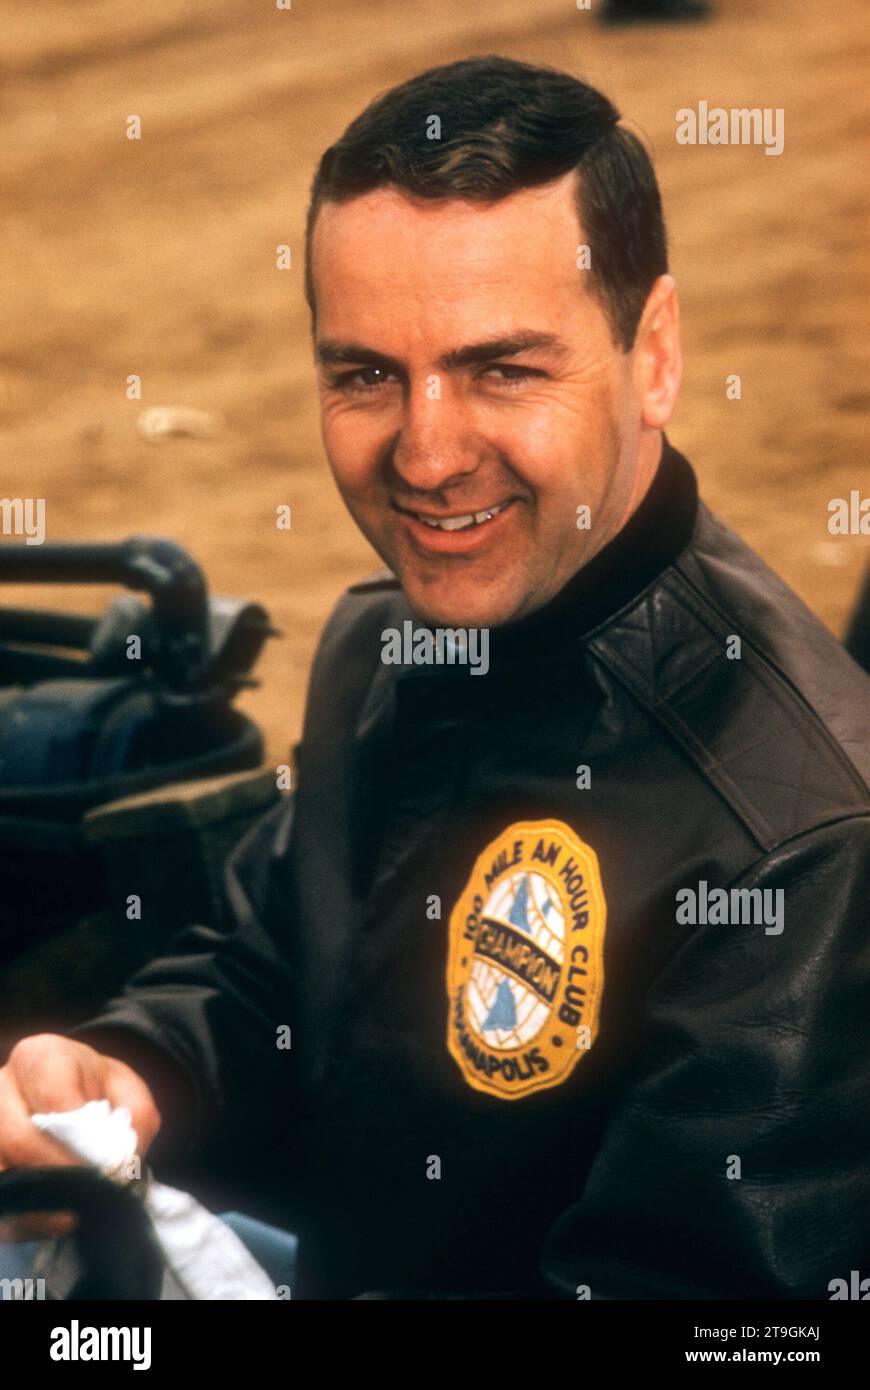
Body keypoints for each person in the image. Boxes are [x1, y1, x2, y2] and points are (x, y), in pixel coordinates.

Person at [1, 55, 868, 1300]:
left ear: (656, 356)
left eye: (502, 369)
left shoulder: (807, 852)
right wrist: (138, 1070)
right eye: (365, 374)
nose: (427, 452)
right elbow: (269, 968)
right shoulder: (385, 641)